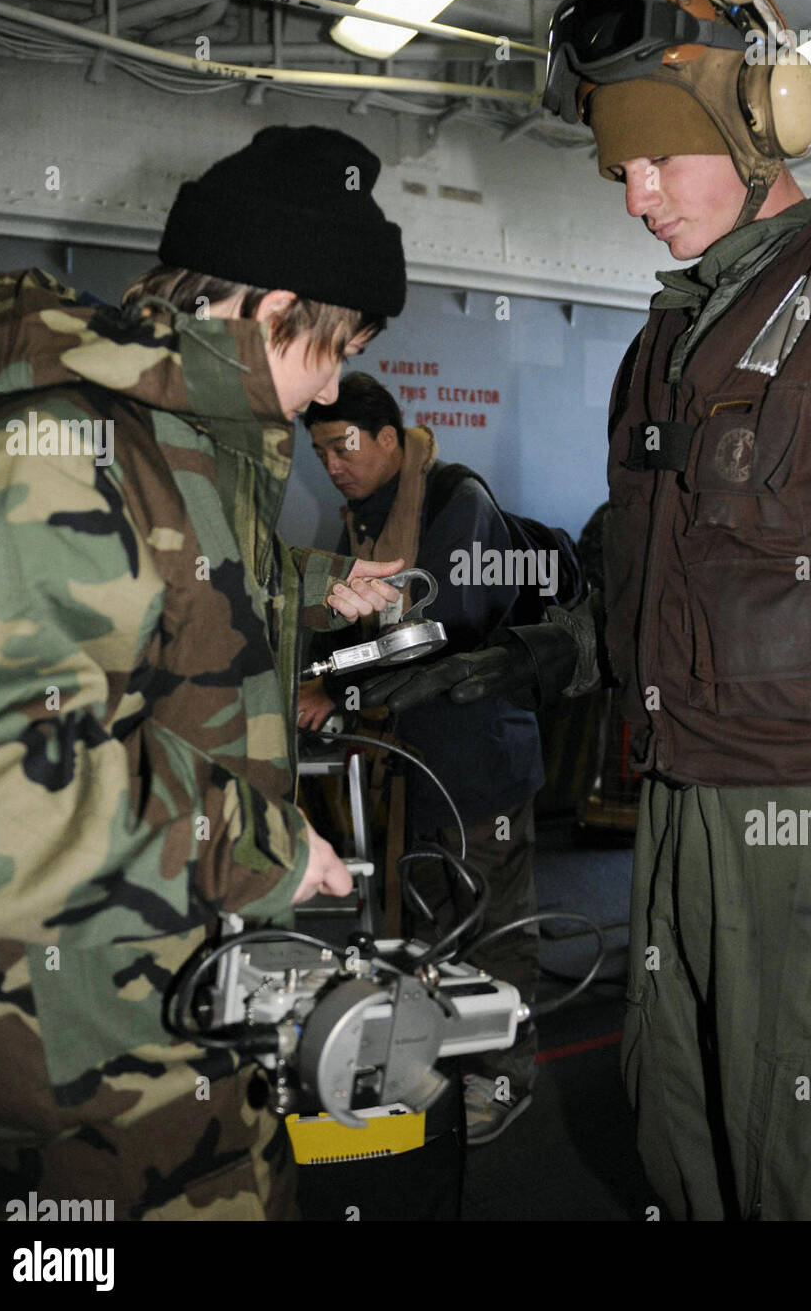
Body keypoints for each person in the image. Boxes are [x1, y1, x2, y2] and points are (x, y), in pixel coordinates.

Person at [363, 0, 811, 1220]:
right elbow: (652, 582)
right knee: (685, 1145)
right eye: (616, 168)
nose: (634, 196)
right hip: (678, 826)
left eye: (658, 160)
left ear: (759, 120)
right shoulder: (667, 343)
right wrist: (525, 658)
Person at [0, 125, 409, 1220]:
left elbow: (164, 590)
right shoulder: (57, 447)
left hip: (183, 993)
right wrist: (265, 846)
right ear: (269, 309)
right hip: (82, 1052)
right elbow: (9, 793)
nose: (328, 394)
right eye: (335, 349)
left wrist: (311, 586)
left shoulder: (186, 438)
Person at [298, 374, 545, 1143]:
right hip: (414, 756)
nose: (332, 464)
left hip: (476, 752)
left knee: (494, 925)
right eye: (320, 452)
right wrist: (319, 672)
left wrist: (337, 688)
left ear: (389, 439)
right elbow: (343, 628)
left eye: (343, 447)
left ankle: (506, 1080)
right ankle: (445, 1063)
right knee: (434, 924)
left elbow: (437, 628)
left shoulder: (453, 501)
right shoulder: (359, 524)